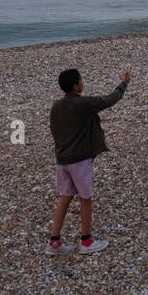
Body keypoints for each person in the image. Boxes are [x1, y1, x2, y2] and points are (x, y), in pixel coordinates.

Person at [46, 66, 131, 255]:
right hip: (80, 160)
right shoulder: (84, 104)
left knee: (65, 197)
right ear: (76, 86)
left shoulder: (56, 107)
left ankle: (54, 242)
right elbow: (110, 100)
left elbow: (55, 131)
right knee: (86, 198)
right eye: (81, 80)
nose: (83, 82)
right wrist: (123, 84)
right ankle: (86, 241)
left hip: (62, 160)